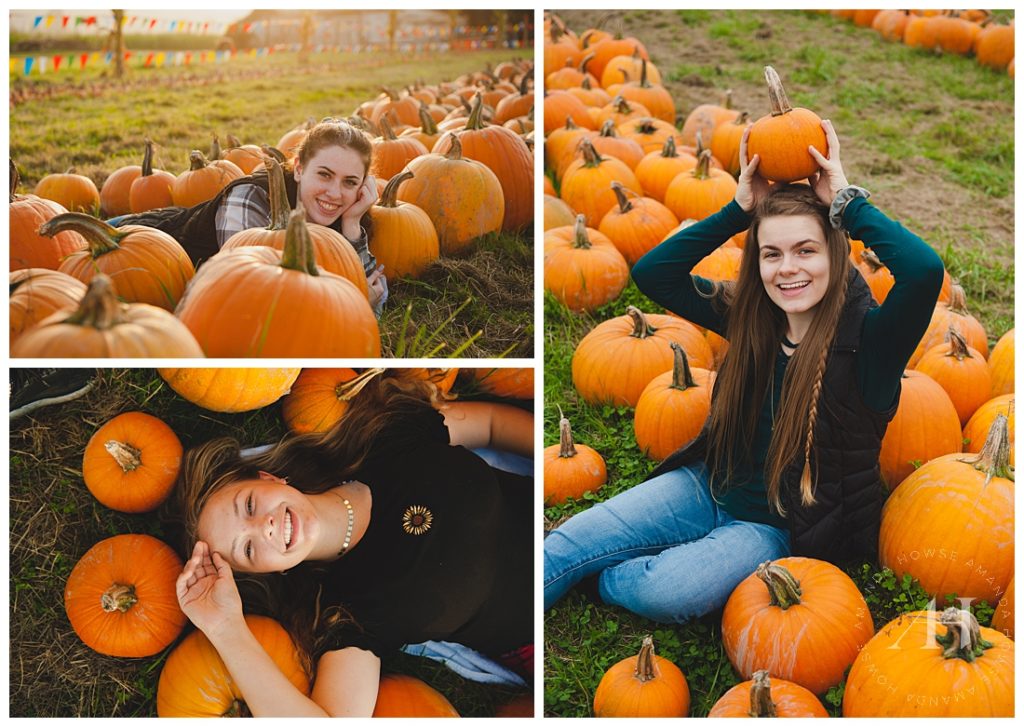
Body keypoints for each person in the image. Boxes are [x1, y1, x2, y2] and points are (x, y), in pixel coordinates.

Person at [544, 120, 945, 623]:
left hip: (772, 529)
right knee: (569, 540)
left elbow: (924, 271)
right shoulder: (750, 316)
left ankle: (605, 577)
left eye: (806, 250)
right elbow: (653, 273)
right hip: (705, 485)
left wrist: (847, 204)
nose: (787, 268)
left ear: (834, 253)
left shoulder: (872, 345)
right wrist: (738, 211)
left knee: (670, 592)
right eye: (771, 254)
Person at [171, 370, 533, 717]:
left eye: (249, 505)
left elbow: (490, 426)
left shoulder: (383, 440)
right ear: (268, 571)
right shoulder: (345, 614)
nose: (262, 527)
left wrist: (556, 466)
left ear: (270, 478)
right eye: (247, 549)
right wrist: (225, 629)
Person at [111, 119, 387, 312]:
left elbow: (373, 293)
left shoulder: (350, 212)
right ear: (300, 168)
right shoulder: (251, 201)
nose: (335, 193)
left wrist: (352, 224)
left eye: (350, 182)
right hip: (131, 242)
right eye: (324, 175)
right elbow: (258, 302)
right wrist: (356, 300)